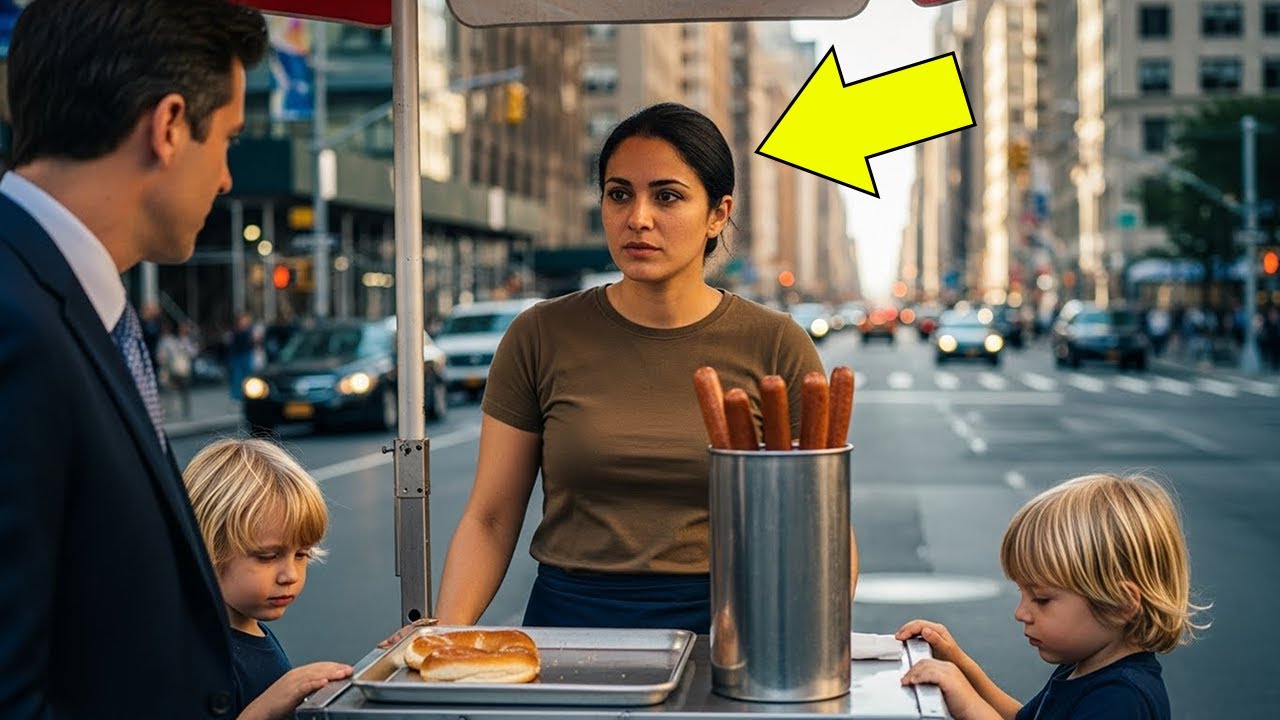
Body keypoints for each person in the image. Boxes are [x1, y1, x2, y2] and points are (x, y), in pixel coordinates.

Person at [429, 102, 852, 635]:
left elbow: (821, 527)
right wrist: (444, 636)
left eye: (668, 196)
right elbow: (489, 518)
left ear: (718, 214)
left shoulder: (777, 344)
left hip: (732, 630)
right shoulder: (538, 335)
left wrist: (814, 643)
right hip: (568, 631)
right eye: (619, 193)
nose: (638, 218)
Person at [0, 1, 268, 716]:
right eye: (229, 142)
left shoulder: (71, 303)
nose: (226, 180)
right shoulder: (15, 321)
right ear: (170, 126)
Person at [897, 473, 1209, 720]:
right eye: (1023, 594)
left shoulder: (1121, 699)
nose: (1021, 613)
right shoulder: (1084, 665)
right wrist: (959, 664)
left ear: (1120, 604)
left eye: (1042, 599)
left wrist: (968, 708)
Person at [184, 438, 353, 720]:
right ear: (208, 547)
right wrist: (277, 699)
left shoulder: (251, 629)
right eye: (267, 557)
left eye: (301, 554)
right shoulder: (197, 660)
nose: (290, 575)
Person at [159, 319, 200, 418]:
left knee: (184, 391)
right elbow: (165, 354)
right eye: (181, 327)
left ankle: (186, 412)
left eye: (185, 328)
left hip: (183, 370)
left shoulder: (188, 341)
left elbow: (194, 353)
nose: (183, 329)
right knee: (170, 391)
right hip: (172, 369)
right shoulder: (172, 340)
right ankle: (170, 411)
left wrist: (185, 348)